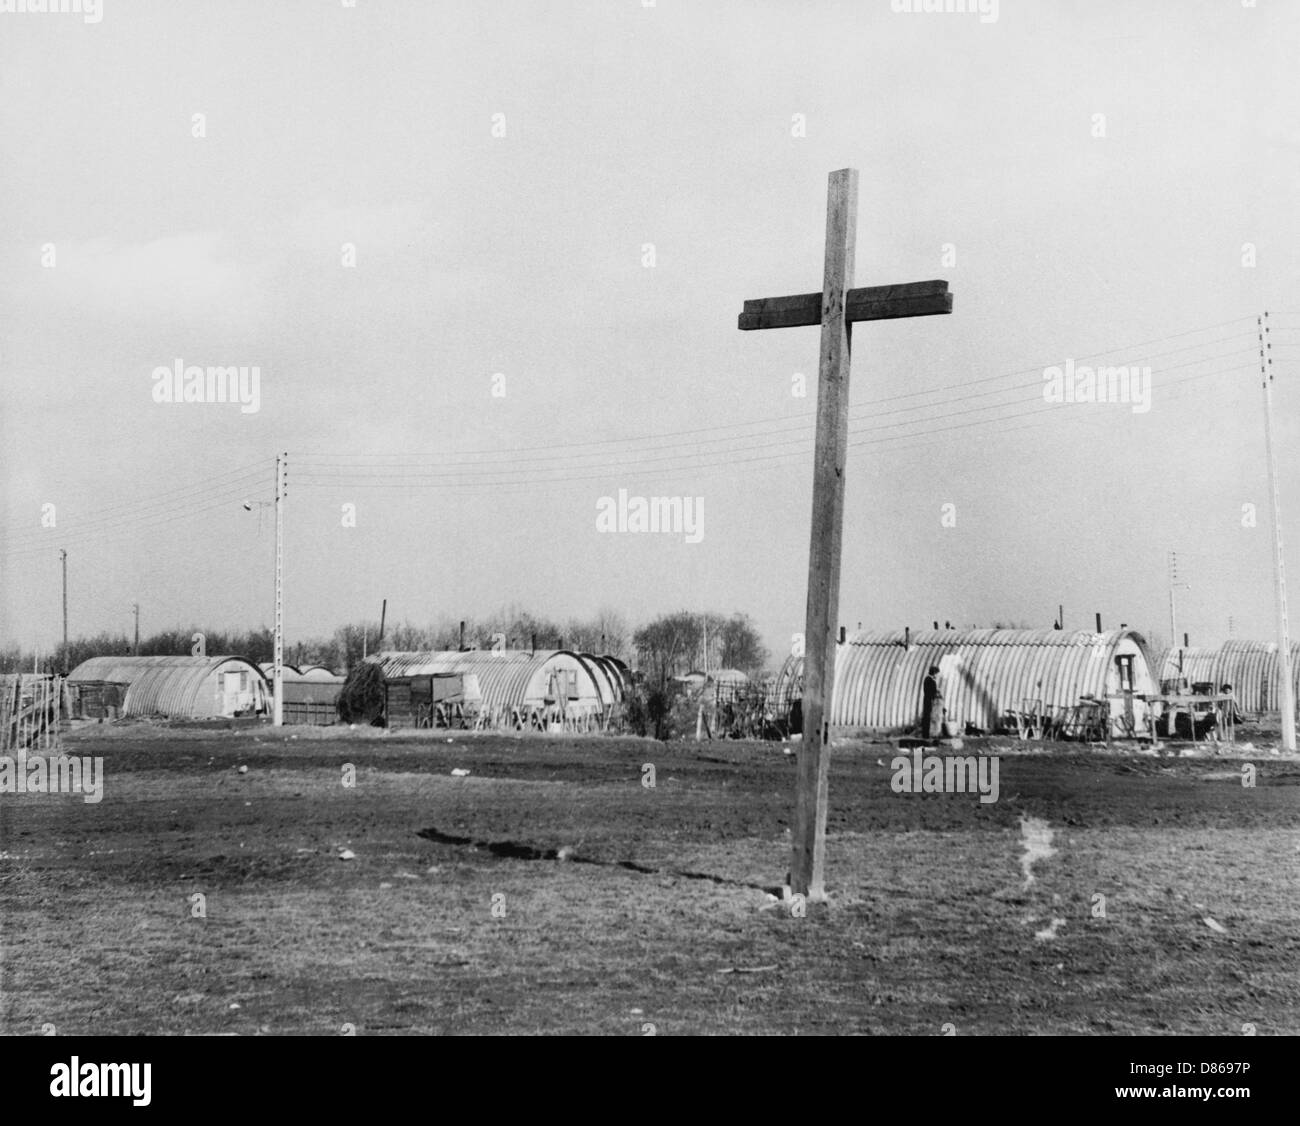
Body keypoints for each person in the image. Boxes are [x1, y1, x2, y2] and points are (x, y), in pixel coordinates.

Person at [921, 665, 944, 740]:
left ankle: (926, 734)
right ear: (934, 673)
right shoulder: (930, 680)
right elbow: (931, 692)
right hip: (929, 700)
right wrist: (937, 692)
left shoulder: (928, 679)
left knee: (927, 716)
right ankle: (927, 734)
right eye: (937, 673)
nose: (937, 675)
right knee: (928, 717)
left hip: (928, 700)